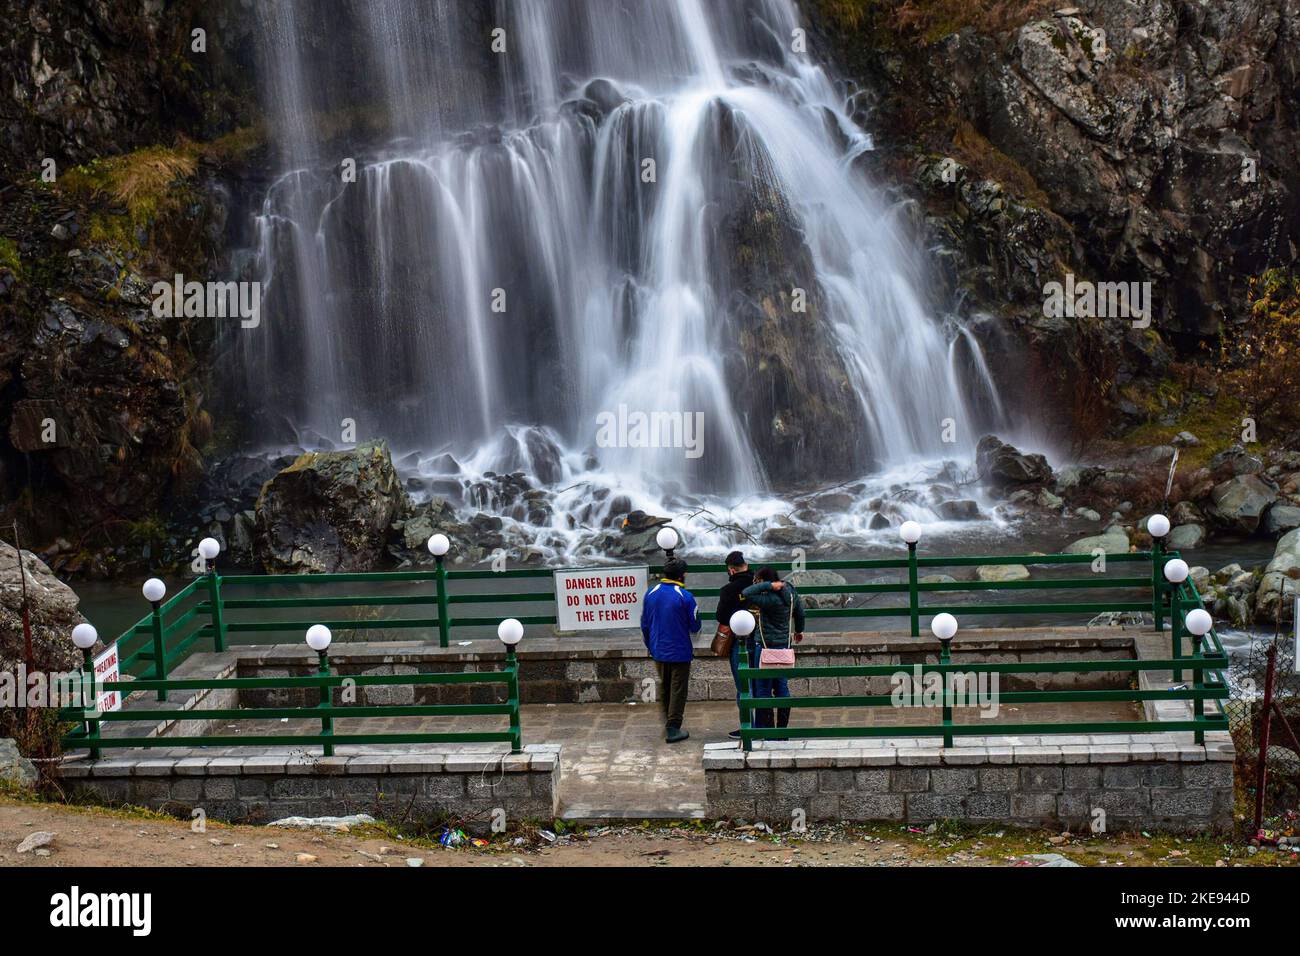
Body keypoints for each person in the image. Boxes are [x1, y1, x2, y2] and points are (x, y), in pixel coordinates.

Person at [640, 558, 701, 743]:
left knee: (665, 686)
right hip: (680, 650)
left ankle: (668, 722)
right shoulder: (685, 596)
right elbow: (695, 626)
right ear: (683, 575)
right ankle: (673, 728)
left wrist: (651, 646)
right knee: (678, 689)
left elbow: (644, 624)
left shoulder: (650, 593)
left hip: (658, 649)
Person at [742, 567, 806, 734]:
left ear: (765, 580)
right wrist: (799, 631)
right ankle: (782, 732)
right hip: (784, 647)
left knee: (763, 690)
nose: (756, 583)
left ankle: (769, 733)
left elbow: (746, 593)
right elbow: (800, 613)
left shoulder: (770, 599)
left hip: (765, 649)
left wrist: (769, 586)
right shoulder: (791, 593)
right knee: (782, 688)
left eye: (758, 580)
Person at [714, 550, 755, 739]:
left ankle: (748, 727)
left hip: (740, 643)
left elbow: (721, 616)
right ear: (745, 565)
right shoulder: (759, 582)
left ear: (731, 570)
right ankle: (764, 726)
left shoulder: (728, 590)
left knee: (743, 687)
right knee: (762, 685)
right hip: (763, 640)